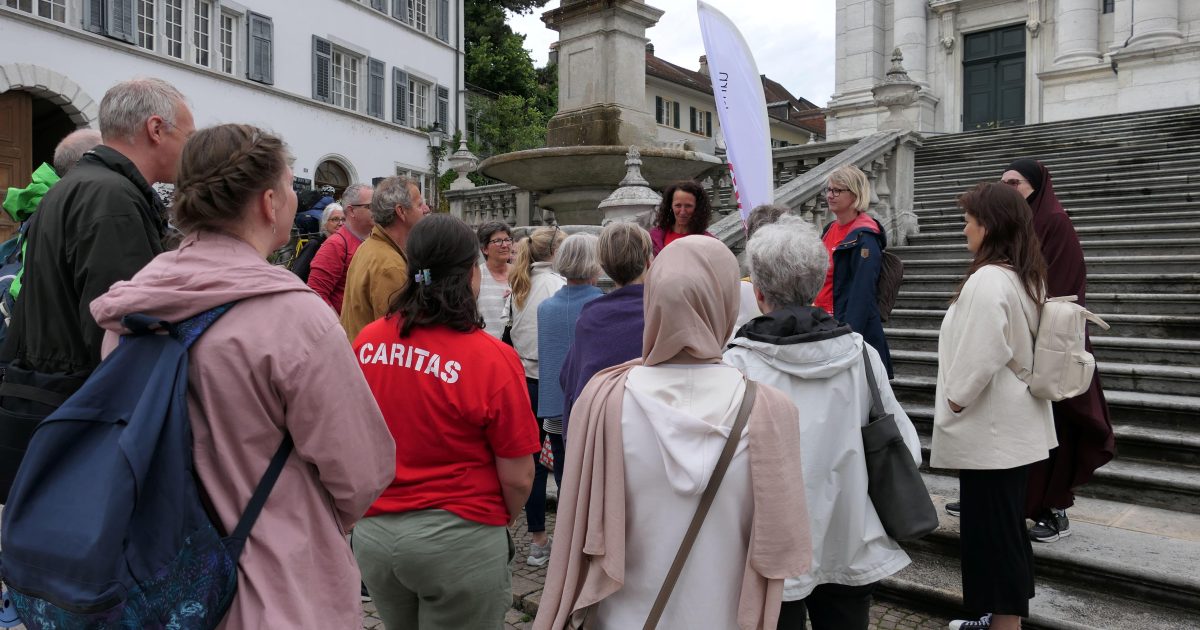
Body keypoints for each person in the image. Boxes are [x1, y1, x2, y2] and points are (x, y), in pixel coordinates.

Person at [90, 123, 395, 628]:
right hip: (275, 584)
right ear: (270, 203)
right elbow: (361, 471)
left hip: (154, 577)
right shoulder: (294, 317)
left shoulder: (133, 306)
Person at [534, 236, 811, 630]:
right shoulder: (772, 411)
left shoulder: (602, 399)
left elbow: (575, 533)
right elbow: (784, 551)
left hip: (620, 618)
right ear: (726, 304)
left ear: (654, 298)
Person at [724, 215, 921, 630]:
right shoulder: (861, 354)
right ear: (818, 284)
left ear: (758, 291)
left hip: (768, 549)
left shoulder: (735, 366)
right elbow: (905, 444)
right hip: (848, 537)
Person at [0, 78, 195, 487]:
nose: (190, 149)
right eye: (188, 136)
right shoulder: (112, 198)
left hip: (51, 399)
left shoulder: (78, 186)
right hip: (84, 415)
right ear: (155, 129)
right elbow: (120, 331)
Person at [351, 214, 538, 629]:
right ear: (471, 272)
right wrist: (492, 522)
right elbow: (519, 476)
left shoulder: (367, 342)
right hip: (458, 536)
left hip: (375, 535)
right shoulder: (490, 357)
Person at [933, 182, 1056, 630]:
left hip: (991, 429)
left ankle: (1003, 627)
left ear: (989, 225)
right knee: (1006, 533)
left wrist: (955, 398)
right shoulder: (1024, 273)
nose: (964, 227)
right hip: (1013, 424)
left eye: (969, 219)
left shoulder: (988, 278)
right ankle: (1004, 621)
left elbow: (981, 352)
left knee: (994, 537)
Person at [1003, 158, 1114, 543]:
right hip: (1022, 340)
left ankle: (1055, 509)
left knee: (1061, 424)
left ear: (1036, 185)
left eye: (1013, 183)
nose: (1007, 190)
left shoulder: (1055, 222)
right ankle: (1010, 499)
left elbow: (1062, 286)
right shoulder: (1015, 224)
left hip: (1052, 345)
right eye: (1002, 184)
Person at [559, 222, 652, 441]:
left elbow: (570, 379)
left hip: (601, 432)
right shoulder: (661, 311)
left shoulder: (591, 317)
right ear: (649, 261)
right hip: (648, 430)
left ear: (603, 267)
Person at [507, 225, 566, 566]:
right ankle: (565, 537)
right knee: (560, 456)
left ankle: (537, 540)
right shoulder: (556, 286)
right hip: (552, 383)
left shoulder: (520, 285)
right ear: (555, 253)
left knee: (534, 463)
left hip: (525, 381)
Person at [536, 233, 603, 501]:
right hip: (592, 411)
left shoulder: (545, 308)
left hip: (555, 411)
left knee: (567, 488)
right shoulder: (601, 304)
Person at [814, 165, 893, 378]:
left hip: (846, 330)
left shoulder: (865, 236)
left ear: (855, 194)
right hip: (824, 323)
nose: (830, 195)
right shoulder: (829, 229)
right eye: (829, 190)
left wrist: (849, 337)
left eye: (838, 190)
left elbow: (862, 292)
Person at [340, 175, 429, 341]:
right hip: (372, 362)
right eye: (419, 204)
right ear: (401, 211)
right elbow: (397, 337)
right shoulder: (389, 265)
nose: (425, 209)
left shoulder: (369, 246)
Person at [307, 182, 373, 313]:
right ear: (352, 210)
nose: (378, 209)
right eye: (371, 206)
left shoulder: (373, 238)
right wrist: (339, 328)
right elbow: (317, 295)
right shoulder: (335, 244)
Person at [648, 180, 715, 255]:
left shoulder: (709, 242)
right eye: (678, 205)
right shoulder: (653, 237)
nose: (682, 212)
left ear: (697, 207)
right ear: (670, 206)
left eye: (688, 206)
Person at [477, 221, 514, 339]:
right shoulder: (477, 276)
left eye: (507, 239)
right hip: (486, 349)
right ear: (484, 249)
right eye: (497, 241)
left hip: (516, 350)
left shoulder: (521, 274)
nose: (505, 245)